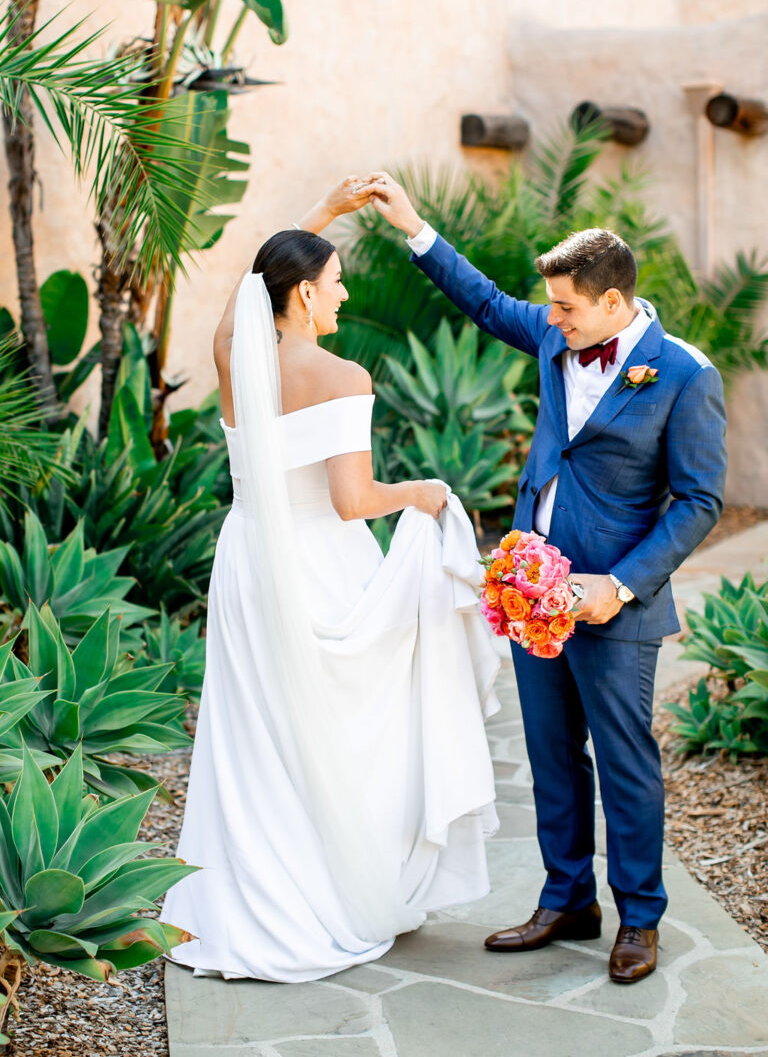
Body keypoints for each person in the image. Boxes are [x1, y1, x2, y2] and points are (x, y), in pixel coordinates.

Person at [366, 172, 727, 984]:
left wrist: (620, 585)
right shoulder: (556, 334)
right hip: (531, 591)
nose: (550, 318)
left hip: (614, 604)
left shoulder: (684, 375)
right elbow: (489, 302)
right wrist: (417, 227)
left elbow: (700, 501)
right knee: (551, 753)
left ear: (611, 303)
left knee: (625, 759)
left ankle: (639, 917)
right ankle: (567, 899)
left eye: (564, 306)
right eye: (552, 306)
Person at [160, 177, 501, 983]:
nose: (344, 294)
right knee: (345, 733)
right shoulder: (343, 377)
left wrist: (317, 216)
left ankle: (246, 898)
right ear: (305, 295)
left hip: (246, 563)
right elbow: (354, 504)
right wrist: (425, 492)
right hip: (316, 566)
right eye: (336, 281)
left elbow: (251, 291)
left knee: (257, 733)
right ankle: (327, 892)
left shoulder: (231, 354)